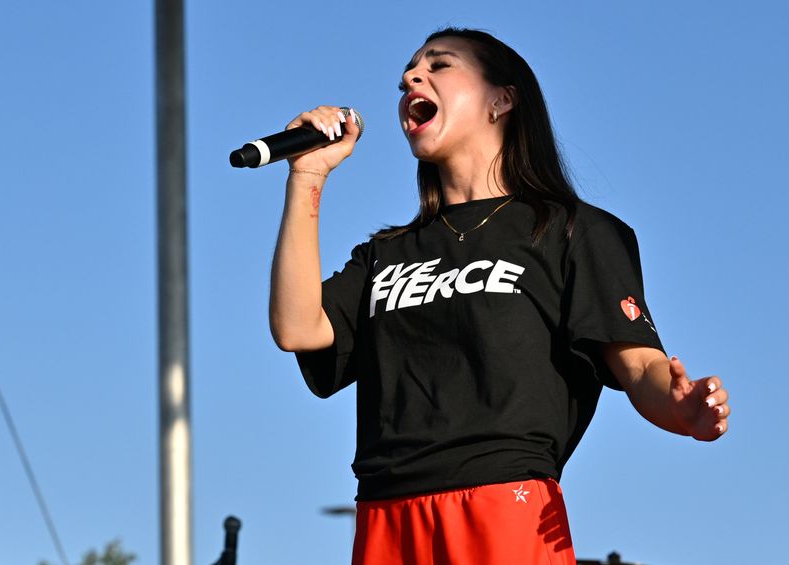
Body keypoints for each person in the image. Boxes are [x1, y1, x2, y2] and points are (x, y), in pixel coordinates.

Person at [269, 27, 730, 565]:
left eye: (438, 65)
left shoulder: (572, 231)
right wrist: (306, 175)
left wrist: (681, 408)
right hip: (384, 514)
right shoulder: (385, 254)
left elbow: (640, 365)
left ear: (502, 100)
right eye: (406, 76)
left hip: (503, 503)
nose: (411, 78)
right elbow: (297, 329)